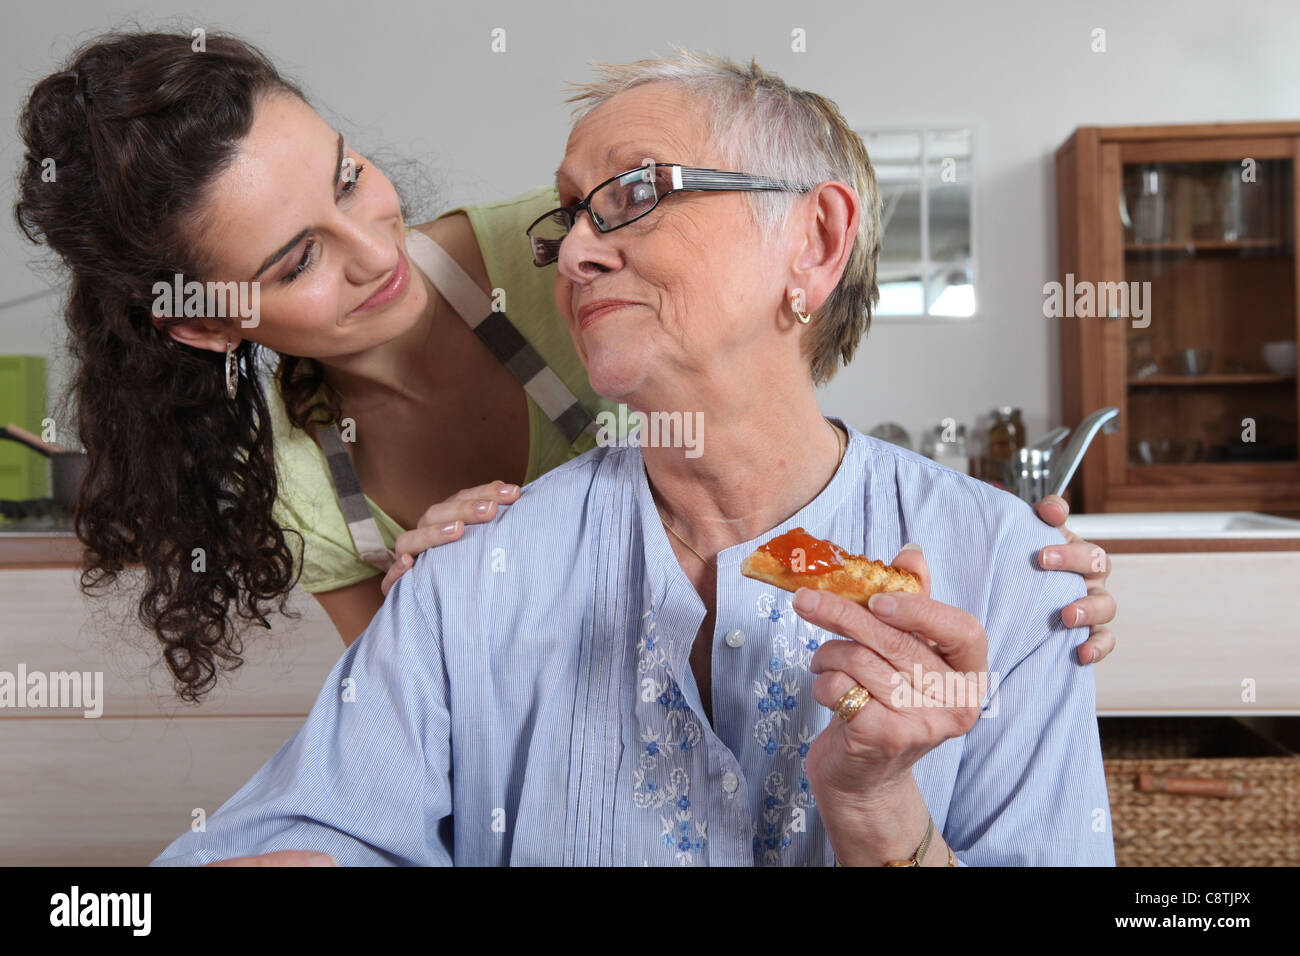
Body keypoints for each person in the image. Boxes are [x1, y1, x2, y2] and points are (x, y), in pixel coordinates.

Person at [153, 51, 1115, 866]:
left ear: (815, 239)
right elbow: (328, 824)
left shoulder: (1014, 583)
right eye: (567, 219)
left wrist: (878, 818)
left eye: (634, 195)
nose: (573, 254)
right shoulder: (457, 578)